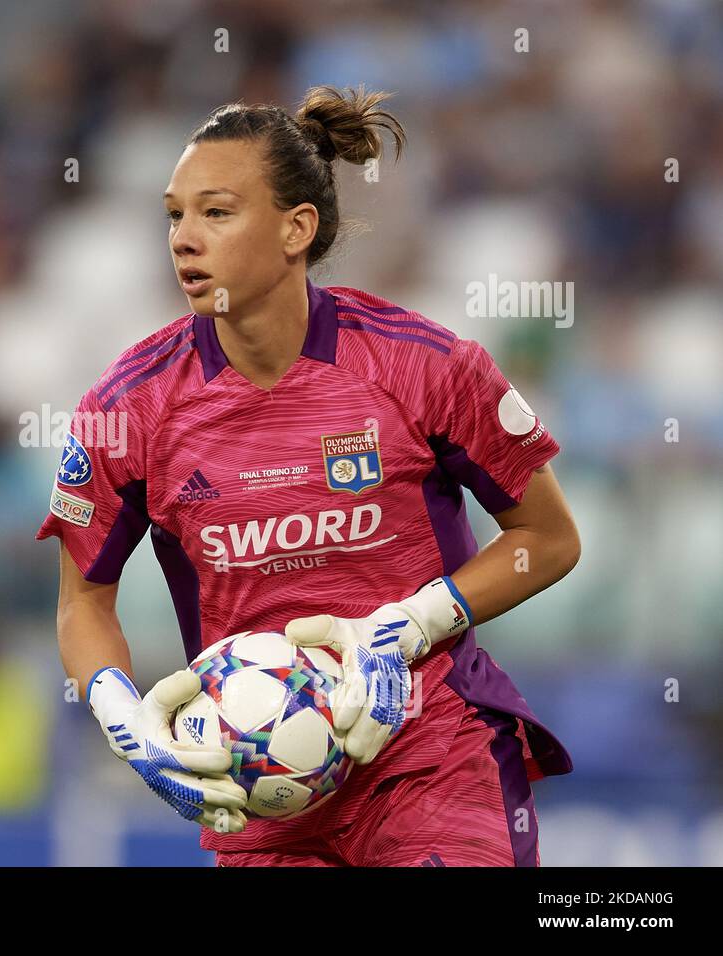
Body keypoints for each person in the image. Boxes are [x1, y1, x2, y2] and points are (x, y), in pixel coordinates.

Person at [34, 86, 581, 867]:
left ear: (297, 229)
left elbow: (549, 540)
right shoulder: (128, 409)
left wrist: (413, 626)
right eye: (174, 215)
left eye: (216, 213)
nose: (185, 239)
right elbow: (83, 600)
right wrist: (121, 712)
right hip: (258, 788)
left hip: (430, 756)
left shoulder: (422, 366)